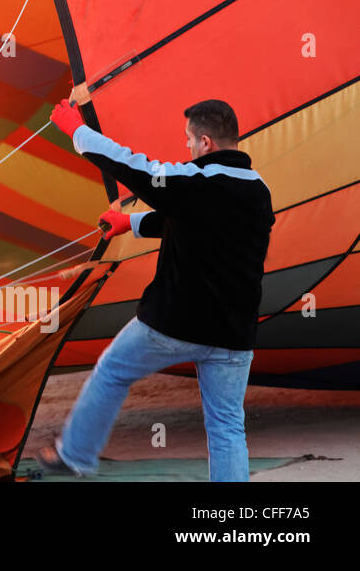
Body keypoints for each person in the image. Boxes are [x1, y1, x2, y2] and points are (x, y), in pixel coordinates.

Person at [36, 97, 275, 481]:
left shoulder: (194, 180)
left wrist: (77, 132)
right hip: (234, 336)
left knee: (112, 370)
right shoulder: (259, 190)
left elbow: (132, 164)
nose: (187, 149)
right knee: (228, 429)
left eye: (188, 140)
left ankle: (76, 454)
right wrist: (128, 224)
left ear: (206, 143)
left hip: (174, 324)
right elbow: (190, 219)